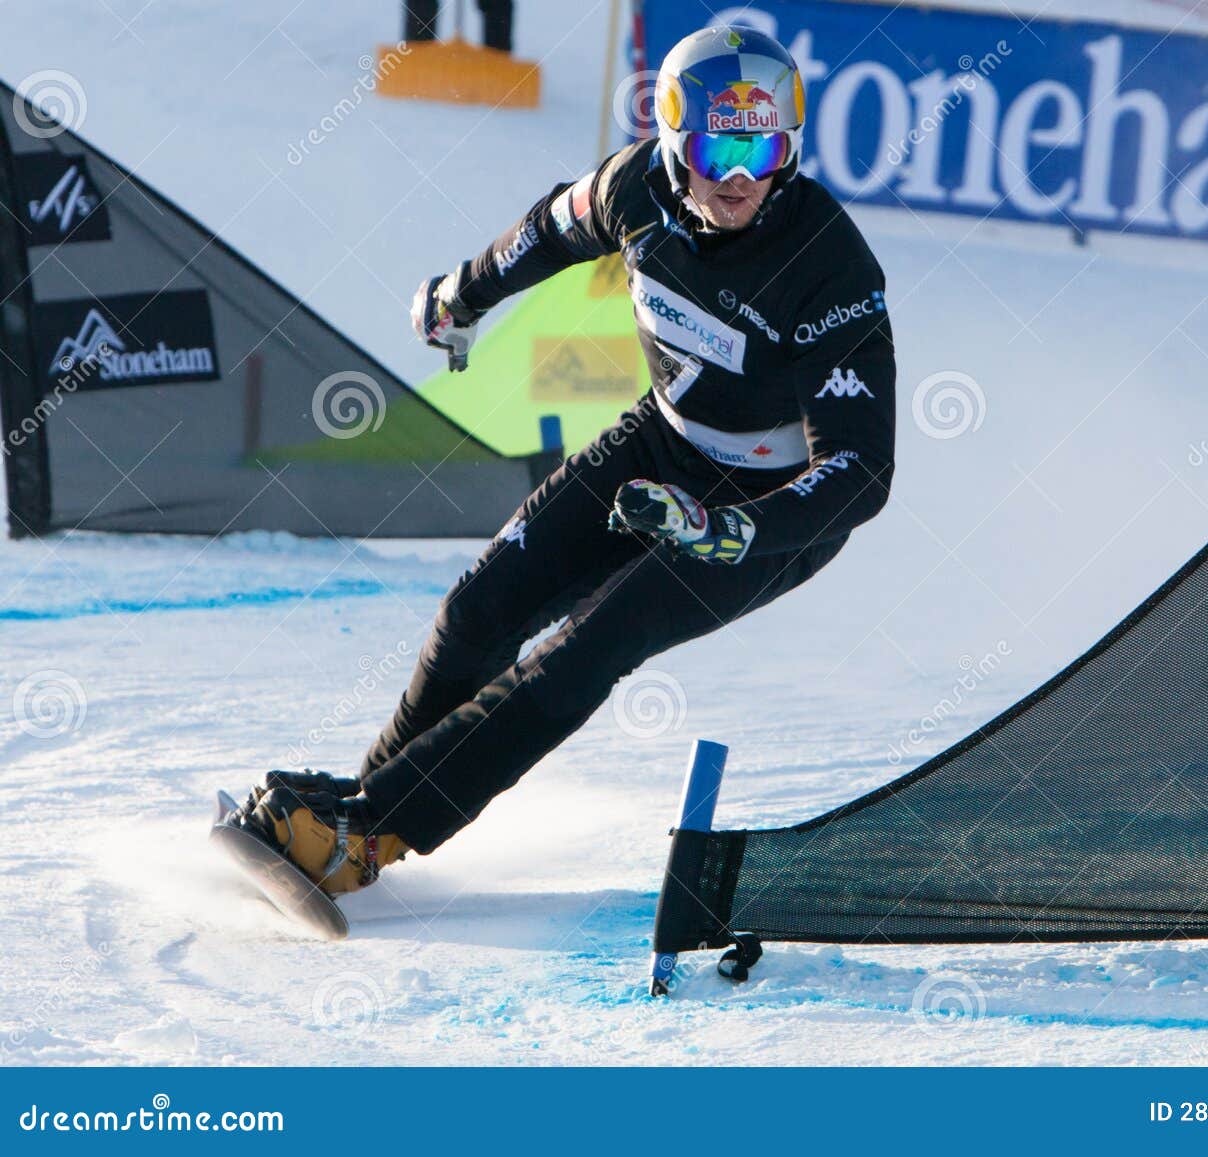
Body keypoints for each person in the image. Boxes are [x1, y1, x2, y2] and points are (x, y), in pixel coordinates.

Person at [233, 27, 897, 894]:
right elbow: (549, 230)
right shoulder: (635, 187)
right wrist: (462, 293)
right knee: (477, 612)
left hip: (769, 510)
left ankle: (374, 832)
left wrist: (728, 528)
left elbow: (862, 474)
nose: (739, 178)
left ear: (792, 147)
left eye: (763, 150)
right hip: (664, 440)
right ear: (670, 138)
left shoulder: (830, 264)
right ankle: (364, 810)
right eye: (714, 148)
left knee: (587, 645)